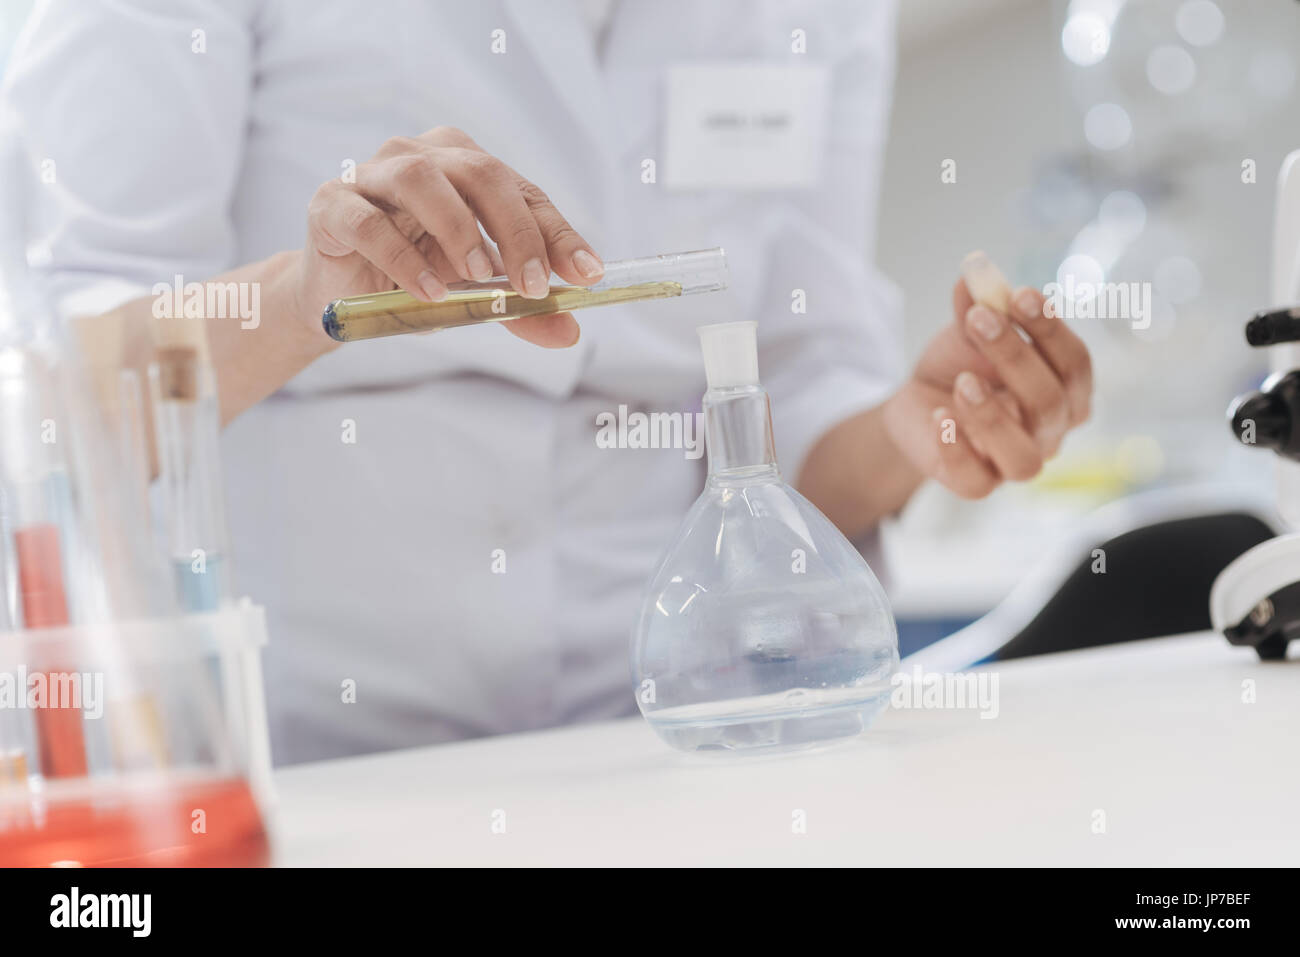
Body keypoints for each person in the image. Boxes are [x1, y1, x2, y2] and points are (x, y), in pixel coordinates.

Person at [1, 0, 1091, 763]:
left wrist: (913, 430)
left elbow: (791, 401)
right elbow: (65, 388)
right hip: (302, 752)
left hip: (668, 745)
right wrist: (305, 300)